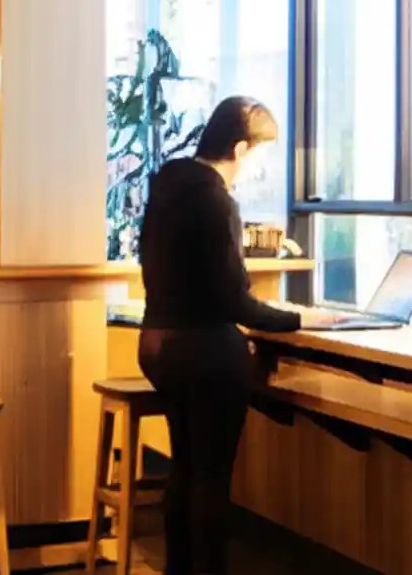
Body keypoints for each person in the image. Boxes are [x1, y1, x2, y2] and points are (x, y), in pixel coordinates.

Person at [137, 96, 300, 575]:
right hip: (204, 354)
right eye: (261, 154)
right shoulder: (216, 199)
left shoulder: (167, 184)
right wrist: (298, 321)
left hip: (159, 348)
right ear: (240, 148)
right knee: (211, 477)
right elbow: (235, 302)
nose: (259, 166)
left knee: (184, 468)